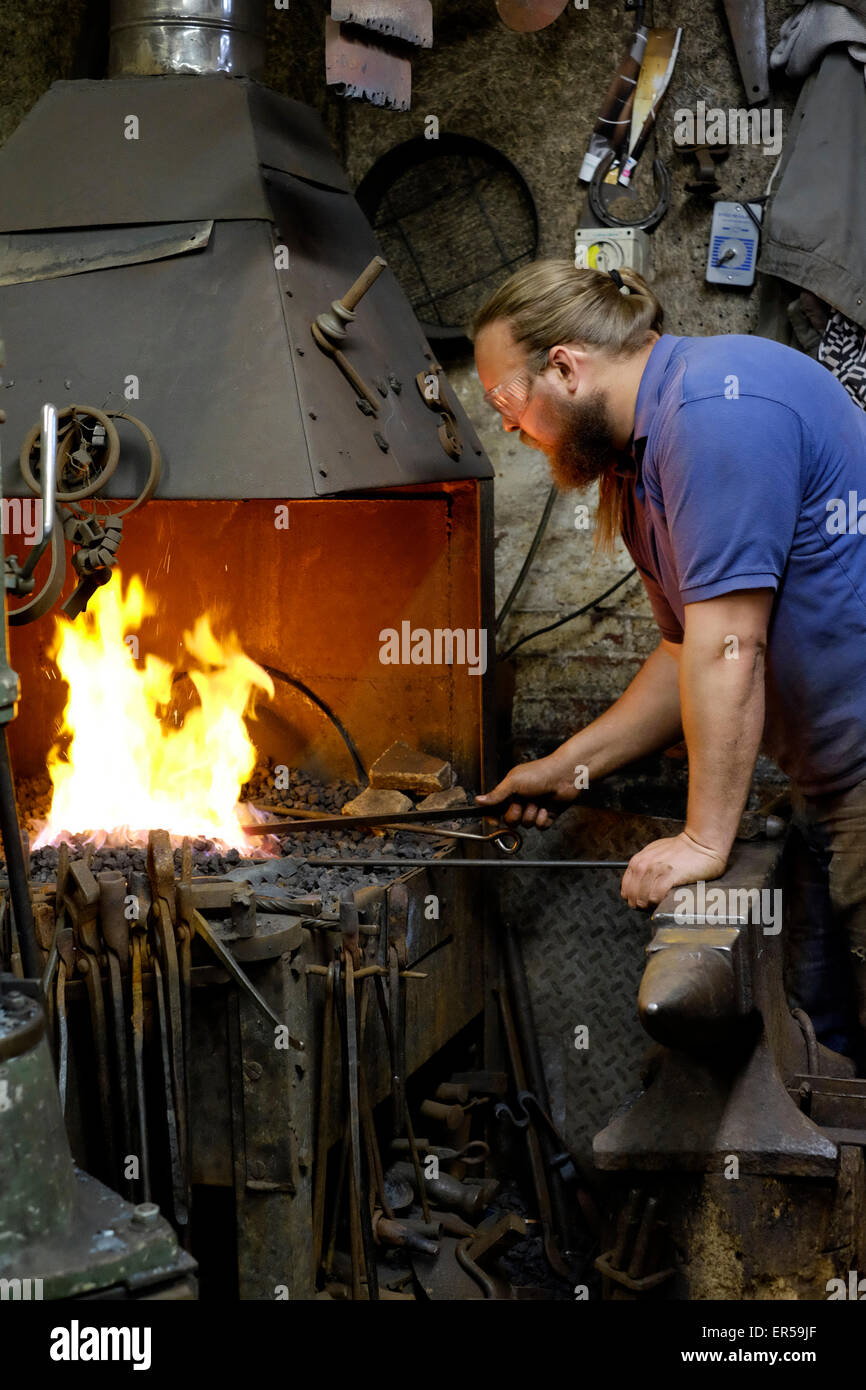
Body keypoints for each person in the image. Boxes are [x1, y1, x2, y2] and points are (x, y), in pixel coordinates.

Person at [470, 259, 866, 1066]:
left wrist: (702, 838)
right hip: (827, 790)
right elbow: (689, 647)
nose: (510, 427)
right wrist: (568, 766)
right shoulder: (648, 452)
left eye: (505, 402)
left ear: (566, 367)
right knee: (827, 1061)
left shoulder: (716, 413)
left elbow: (730, 648)